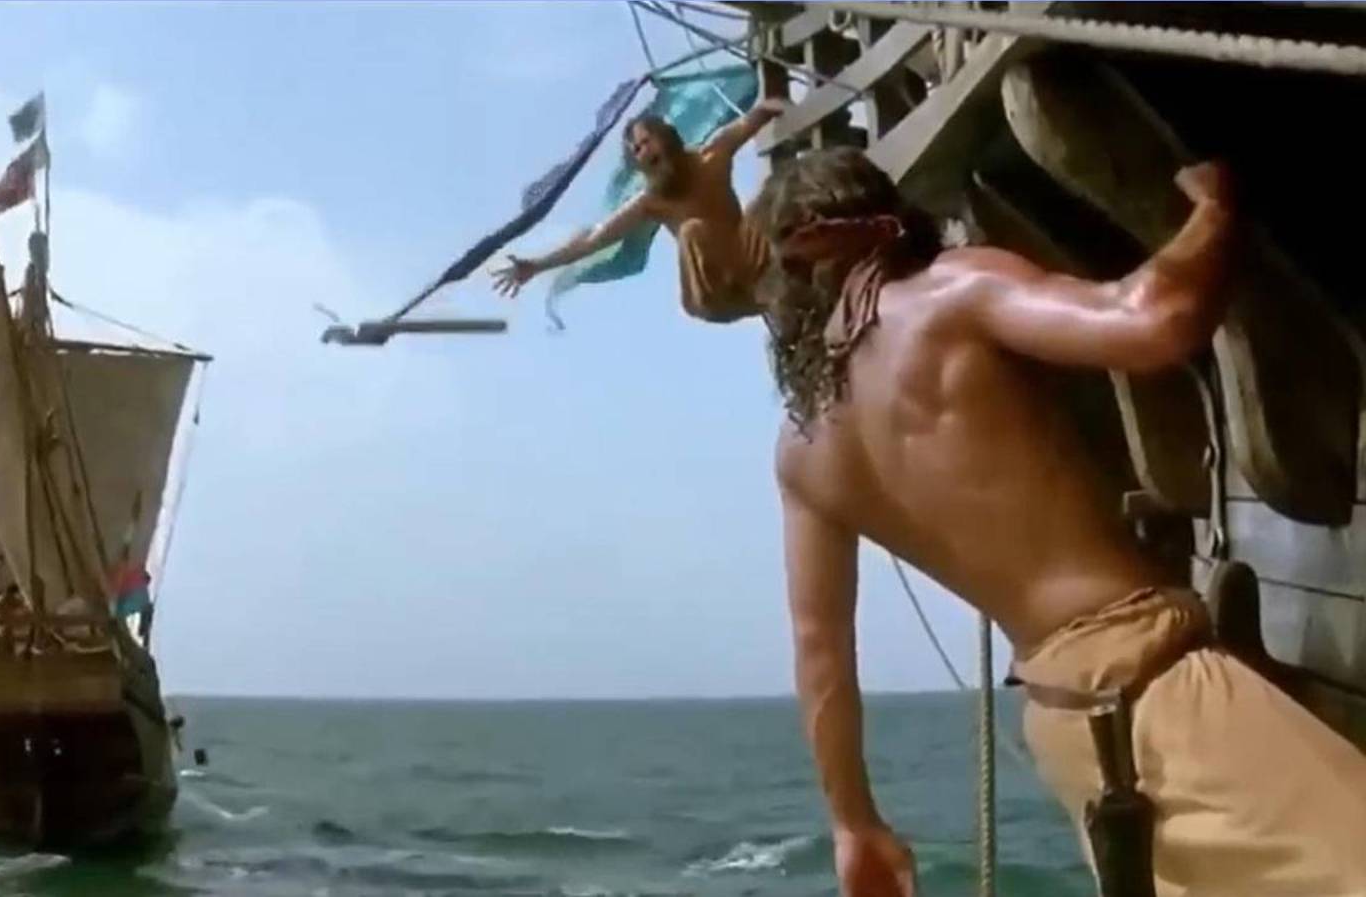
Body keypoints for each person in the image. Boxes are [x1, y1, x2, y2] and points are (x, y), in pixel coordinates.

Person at [759, 147, 1366, 896]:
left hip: (1068, 727)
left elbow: (821, 655)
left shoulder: (803, 451)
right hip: (1157, 687)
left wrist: (853, 824)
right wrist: (1216, 207)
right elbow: (1154, 318)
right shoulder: (952, 293)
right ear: (889, 222)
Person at [490, 92, 789, 323]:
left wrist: (781, 105)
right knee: (693, 231)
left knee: (768, 199)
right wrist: (536, 265)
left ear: (667, 137)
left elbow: (753, 118)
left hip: (748, 266)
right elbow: (592, 239)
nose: (642, 152)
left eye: (646, 142)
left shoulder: (713, 157)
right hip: (714, 294)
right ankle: (745, 296)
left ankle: (775, 288)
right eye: (636, 151)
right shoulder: (650, 202)